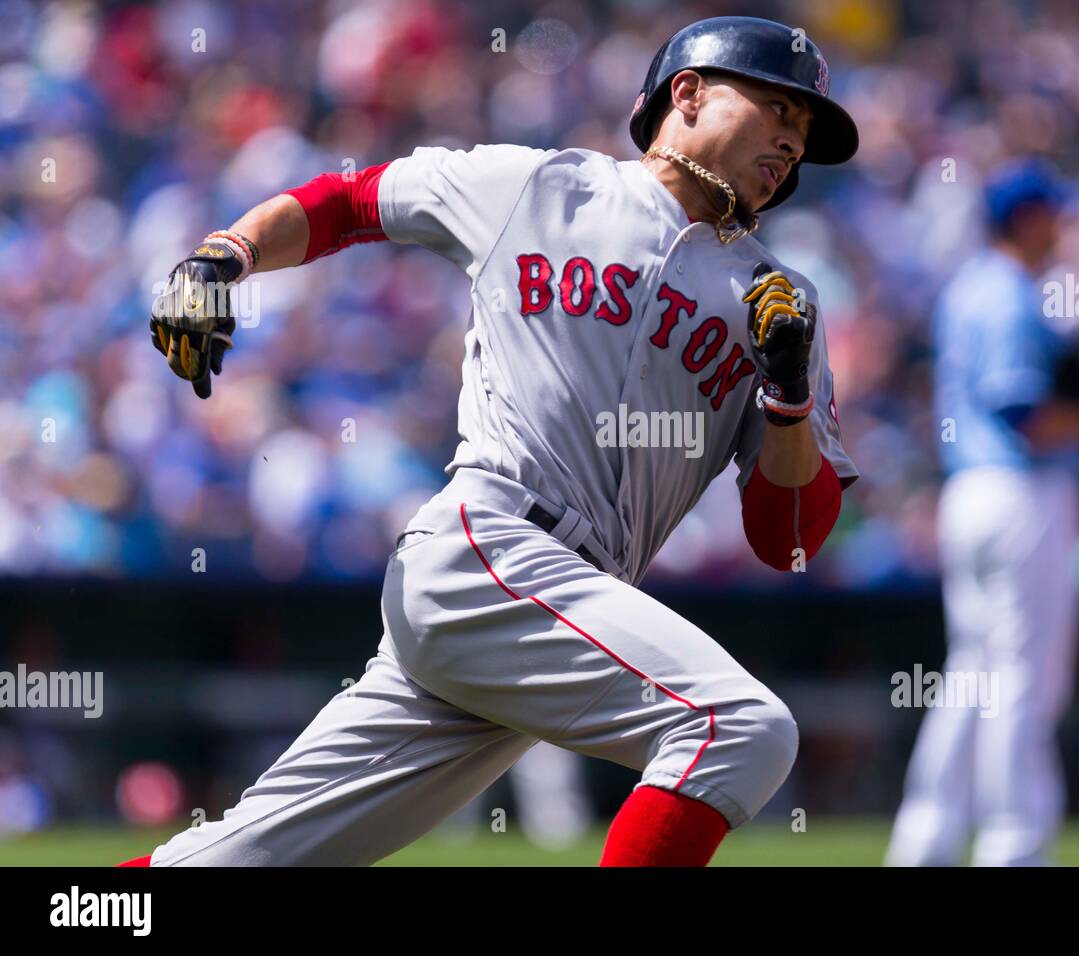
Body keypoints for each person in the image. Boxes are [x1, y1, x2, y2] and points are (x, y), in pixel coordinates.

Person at [120, 16, 859, 868]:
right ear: (685, 94)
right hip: (489, 544)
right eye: (775, 107)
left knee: (234, 864)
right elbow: (355, 202)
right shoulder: (537, 186)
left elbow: (791, 538)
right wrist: (225, 256)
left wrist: (790, 394)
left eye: (803, 130)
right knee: (740, 727)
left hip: (548, 606)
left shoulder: (779, 299)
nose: (791, 142)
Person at [886, 159, 1079, 866]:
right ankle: (1014, 847)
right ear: (1028, 218)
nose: (1063, 225)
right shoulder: (1012, 294)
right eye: (1053, 212)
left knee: (975, 669)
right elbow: (1026, 416)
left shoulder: (969, 287)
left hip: (970, 494)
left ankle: (927, 838)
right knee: (1022, 676)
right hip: (1020, 493)